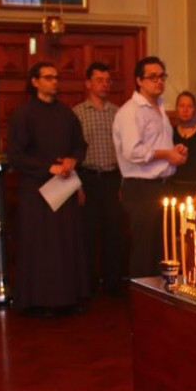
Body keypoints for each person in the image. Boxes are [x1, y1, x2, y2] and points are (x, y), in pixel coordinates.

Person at [8, 62, 88, 316]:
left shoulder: (66, 113)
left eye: (56, 77)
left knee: (67, 242)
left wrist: (72, 160)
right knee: (41, 246)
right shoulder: (23, 114)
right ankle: (41, 301)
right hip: (36, 190)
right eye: (48, 77)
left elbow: (80, 145)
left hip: (65, 186)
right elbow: (15, 156)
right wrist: (48, 168)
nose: (54, 81)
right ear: (35, 81)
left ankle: (69, 297)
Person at [113, 56, 188, 278]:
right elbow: (133, 151)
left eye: (161, 76)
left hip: (162, 185)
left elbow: (156, 145)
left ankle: (160, 300)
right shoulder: (131, 111)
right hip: (141, 189)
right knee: (144, 249)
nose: (158, 81)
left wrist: (176, 151)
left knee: (161, 248)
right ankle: (142, 303)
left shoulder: (160, 107)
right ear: (139, 80)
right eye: (152, 77)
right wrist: (167, 154)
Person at [74, 62, 126, 297]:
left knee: (114, 233)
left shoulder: (118, 113)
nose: (104, 85)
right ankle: (89, 285)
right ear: (88, 83)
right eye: (99, 80)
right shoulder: (77, 113)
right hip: (88, 178)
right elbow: (72, 150)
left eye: (107, 80)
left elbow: (124, 150)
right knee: (87, 234)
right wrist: (77, 186)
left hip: (113, 178)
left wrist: (124, 183)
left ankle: (113, 283)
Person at [171, 91, 196, 207]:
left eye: (189, 106)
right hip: (174, 190)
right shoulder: (170, 132)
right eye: (182, 106)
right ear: (177, 109)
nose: (185, 110)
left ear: (195, 109)